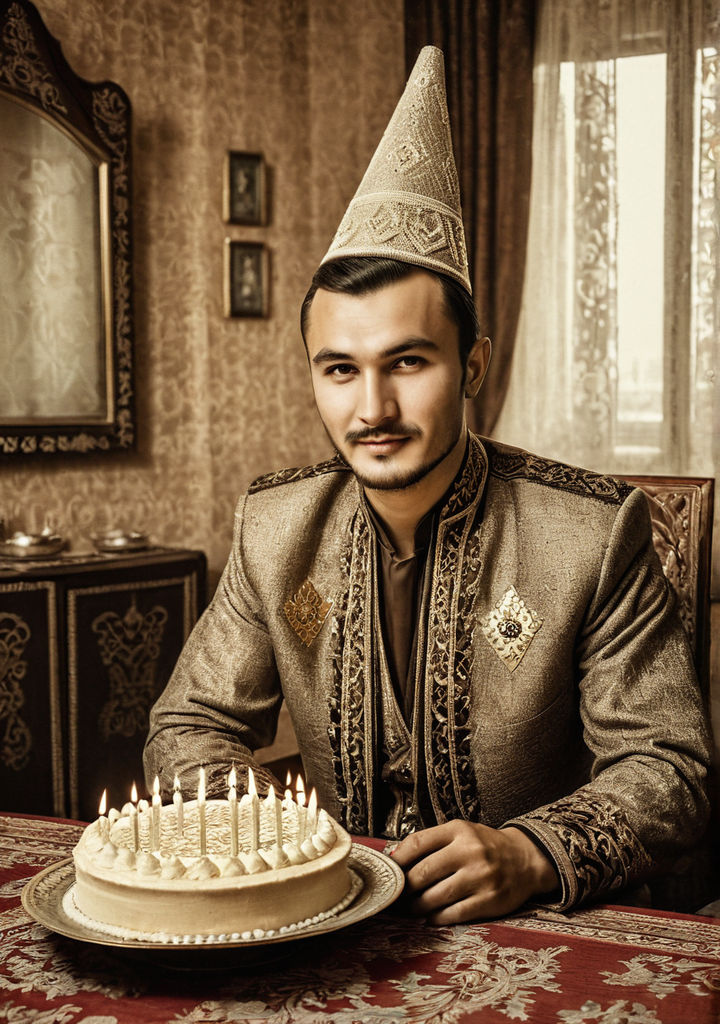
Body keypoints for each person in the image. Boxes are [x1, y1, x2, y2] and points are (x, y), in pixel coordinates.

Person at [144, 47, 712, 923]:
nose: (372, 408)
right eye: (340, 369)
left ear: (472, 365)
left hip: (538, 927)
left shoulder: (592, 535)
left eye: (407, 362)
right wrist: (279, 840)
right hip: (334, 925)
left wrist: (532, 853)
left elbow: (671, 768)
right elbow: (187, 728)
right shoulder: (276, 527)